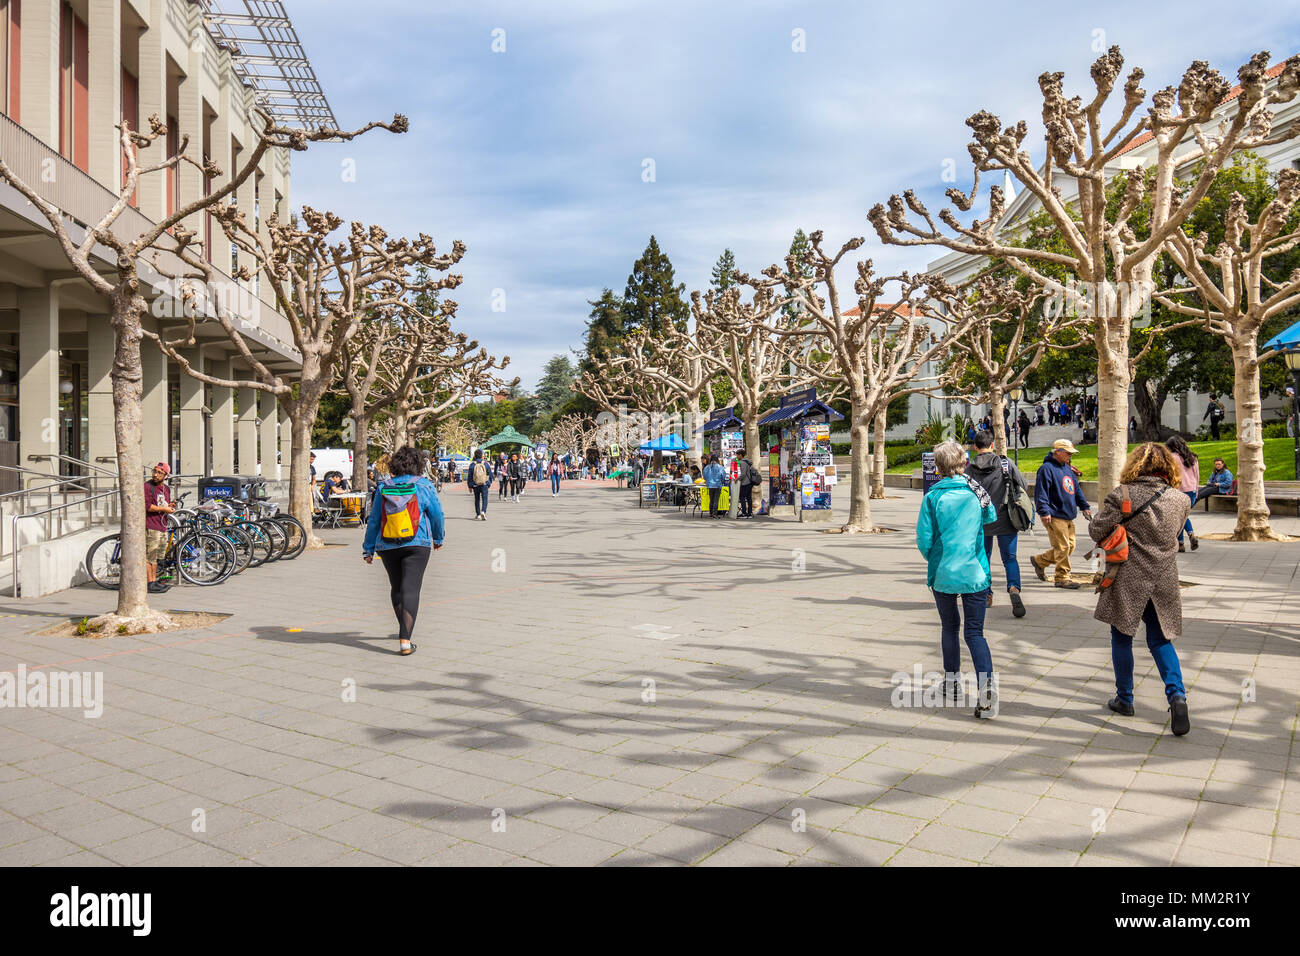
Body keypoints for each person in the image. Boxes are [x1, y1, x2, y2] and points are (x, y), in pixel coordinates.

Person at [1088, 443, 1191, 735]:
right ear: (1168, 467)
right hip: (1164, 578)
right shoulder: (1180, 500)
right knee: (1160, 641)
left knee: (1122, 638)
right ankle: (1176, 695)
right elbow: (1176, 533)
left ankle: (1125, 698)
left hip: (1129, 577)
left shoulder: (1124, 495)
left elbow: (1097, 530)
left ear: (1136, 465)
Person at [915, 440, 1000, 718]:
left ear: (938, 467)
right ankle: (987, 694)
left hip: (944, 572)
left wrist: (936, 558)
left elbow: (924, 539)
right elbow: (991, 517)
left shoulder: (932, 497)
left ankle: (952, 684)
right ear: (963, 463)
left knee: (949, 628)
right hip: (975, 571)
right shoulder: (976, 492)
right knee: (975, 633)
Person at [362, 445, 445, 656]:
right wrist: (438, 537)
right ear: (418, 464)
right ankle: (405, 640)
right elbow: (436, 514)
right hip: (418, 542)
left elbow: (374, 520)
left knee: (397, 588)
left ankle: (404, 630)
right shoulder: (424, 485)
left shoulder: (383, 487)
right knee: (412, 589)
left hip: (387, 544)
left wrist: (368, 548)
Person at [966, 430, 1029, 618]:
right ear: (992, 445)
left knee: (983, 557)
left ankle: (987, 594)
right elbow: (1023, 485)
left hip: (981, 520)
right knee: (1010, 558)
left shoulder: (969, 469)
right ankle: (1014, 588)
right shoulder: (1005, 463)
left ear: (975, 447)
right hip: (1006, 518)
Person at [1030, 439, 1093, 589]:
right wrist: (1044, 512)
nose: (1070, 456)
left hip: (1068, 514)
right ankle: (1062, 577)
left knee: (1070, 546)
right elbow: (1041, 493)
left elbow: (1076, 489)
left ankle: (1040, 561)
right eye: (1068, 453)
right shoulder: (1046, 469)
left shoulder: (1067, 468)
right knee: (1063, 547)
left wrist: (1084, 506)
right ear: (1058, 452)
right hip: (1055, 514)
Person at [1165, 435, 1200, 552]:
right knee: (1183, 516)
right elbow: (1197, 476)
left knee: (1179, 516)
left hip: (1178, 490)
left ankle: (1181, 542)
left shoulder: (1172, 457)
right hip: (1192, 491)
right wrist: (1196, 491)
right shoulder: (1193, 458)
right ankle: (1189, 535)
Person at [145, 462, 174, 594]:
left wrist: (170, 506)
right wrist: (164, 508)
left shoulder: (166, 489)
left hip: (162, 526)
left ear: (166, 476)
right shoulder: (147, 486)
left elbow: (164, 504)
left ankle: (154, 581)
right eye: (154, 471)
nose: (155, 475)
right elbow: (148, 506)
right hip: (151, 525)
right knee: (149, 556)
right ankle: (149, 583)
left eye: (159, 473)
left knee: (157, 556)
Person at [467, 449, 491, 520]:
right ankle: (483, 511)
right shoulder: (486, 464)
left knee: (477, 499)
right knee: (484, 498)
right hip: (484, 484)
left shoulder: (472, 465)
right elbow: (490, 474)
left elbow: (470, 476)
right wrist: (488, 483)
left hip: (475, 484)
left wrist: (470, 486)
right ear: (482, 456)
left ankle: (478, 514)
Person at [736, 450, 760, 518]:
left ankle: (744, 513)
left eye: (737, 455)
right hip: (750, 482)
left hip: (745, 483)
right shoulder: (748, 461)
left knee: (742, 498)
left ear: (740, 455)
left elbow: (743, 474)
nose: (737, 456)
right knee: (749, 498)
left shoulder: (742, 462)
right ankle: (750, 513)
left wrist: (737, 479)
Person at [703, 453, 726, 518]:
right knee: (716, 499)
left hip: (710, 485)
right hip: (717, 485)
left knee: (711, 499)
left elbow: (704, 476)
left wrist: (708, 480)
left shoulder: (707, 467)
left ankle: (710, 513)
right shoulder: (720, 467)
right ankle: (715, 513)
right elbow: (723, 476)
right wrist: (721, 481)